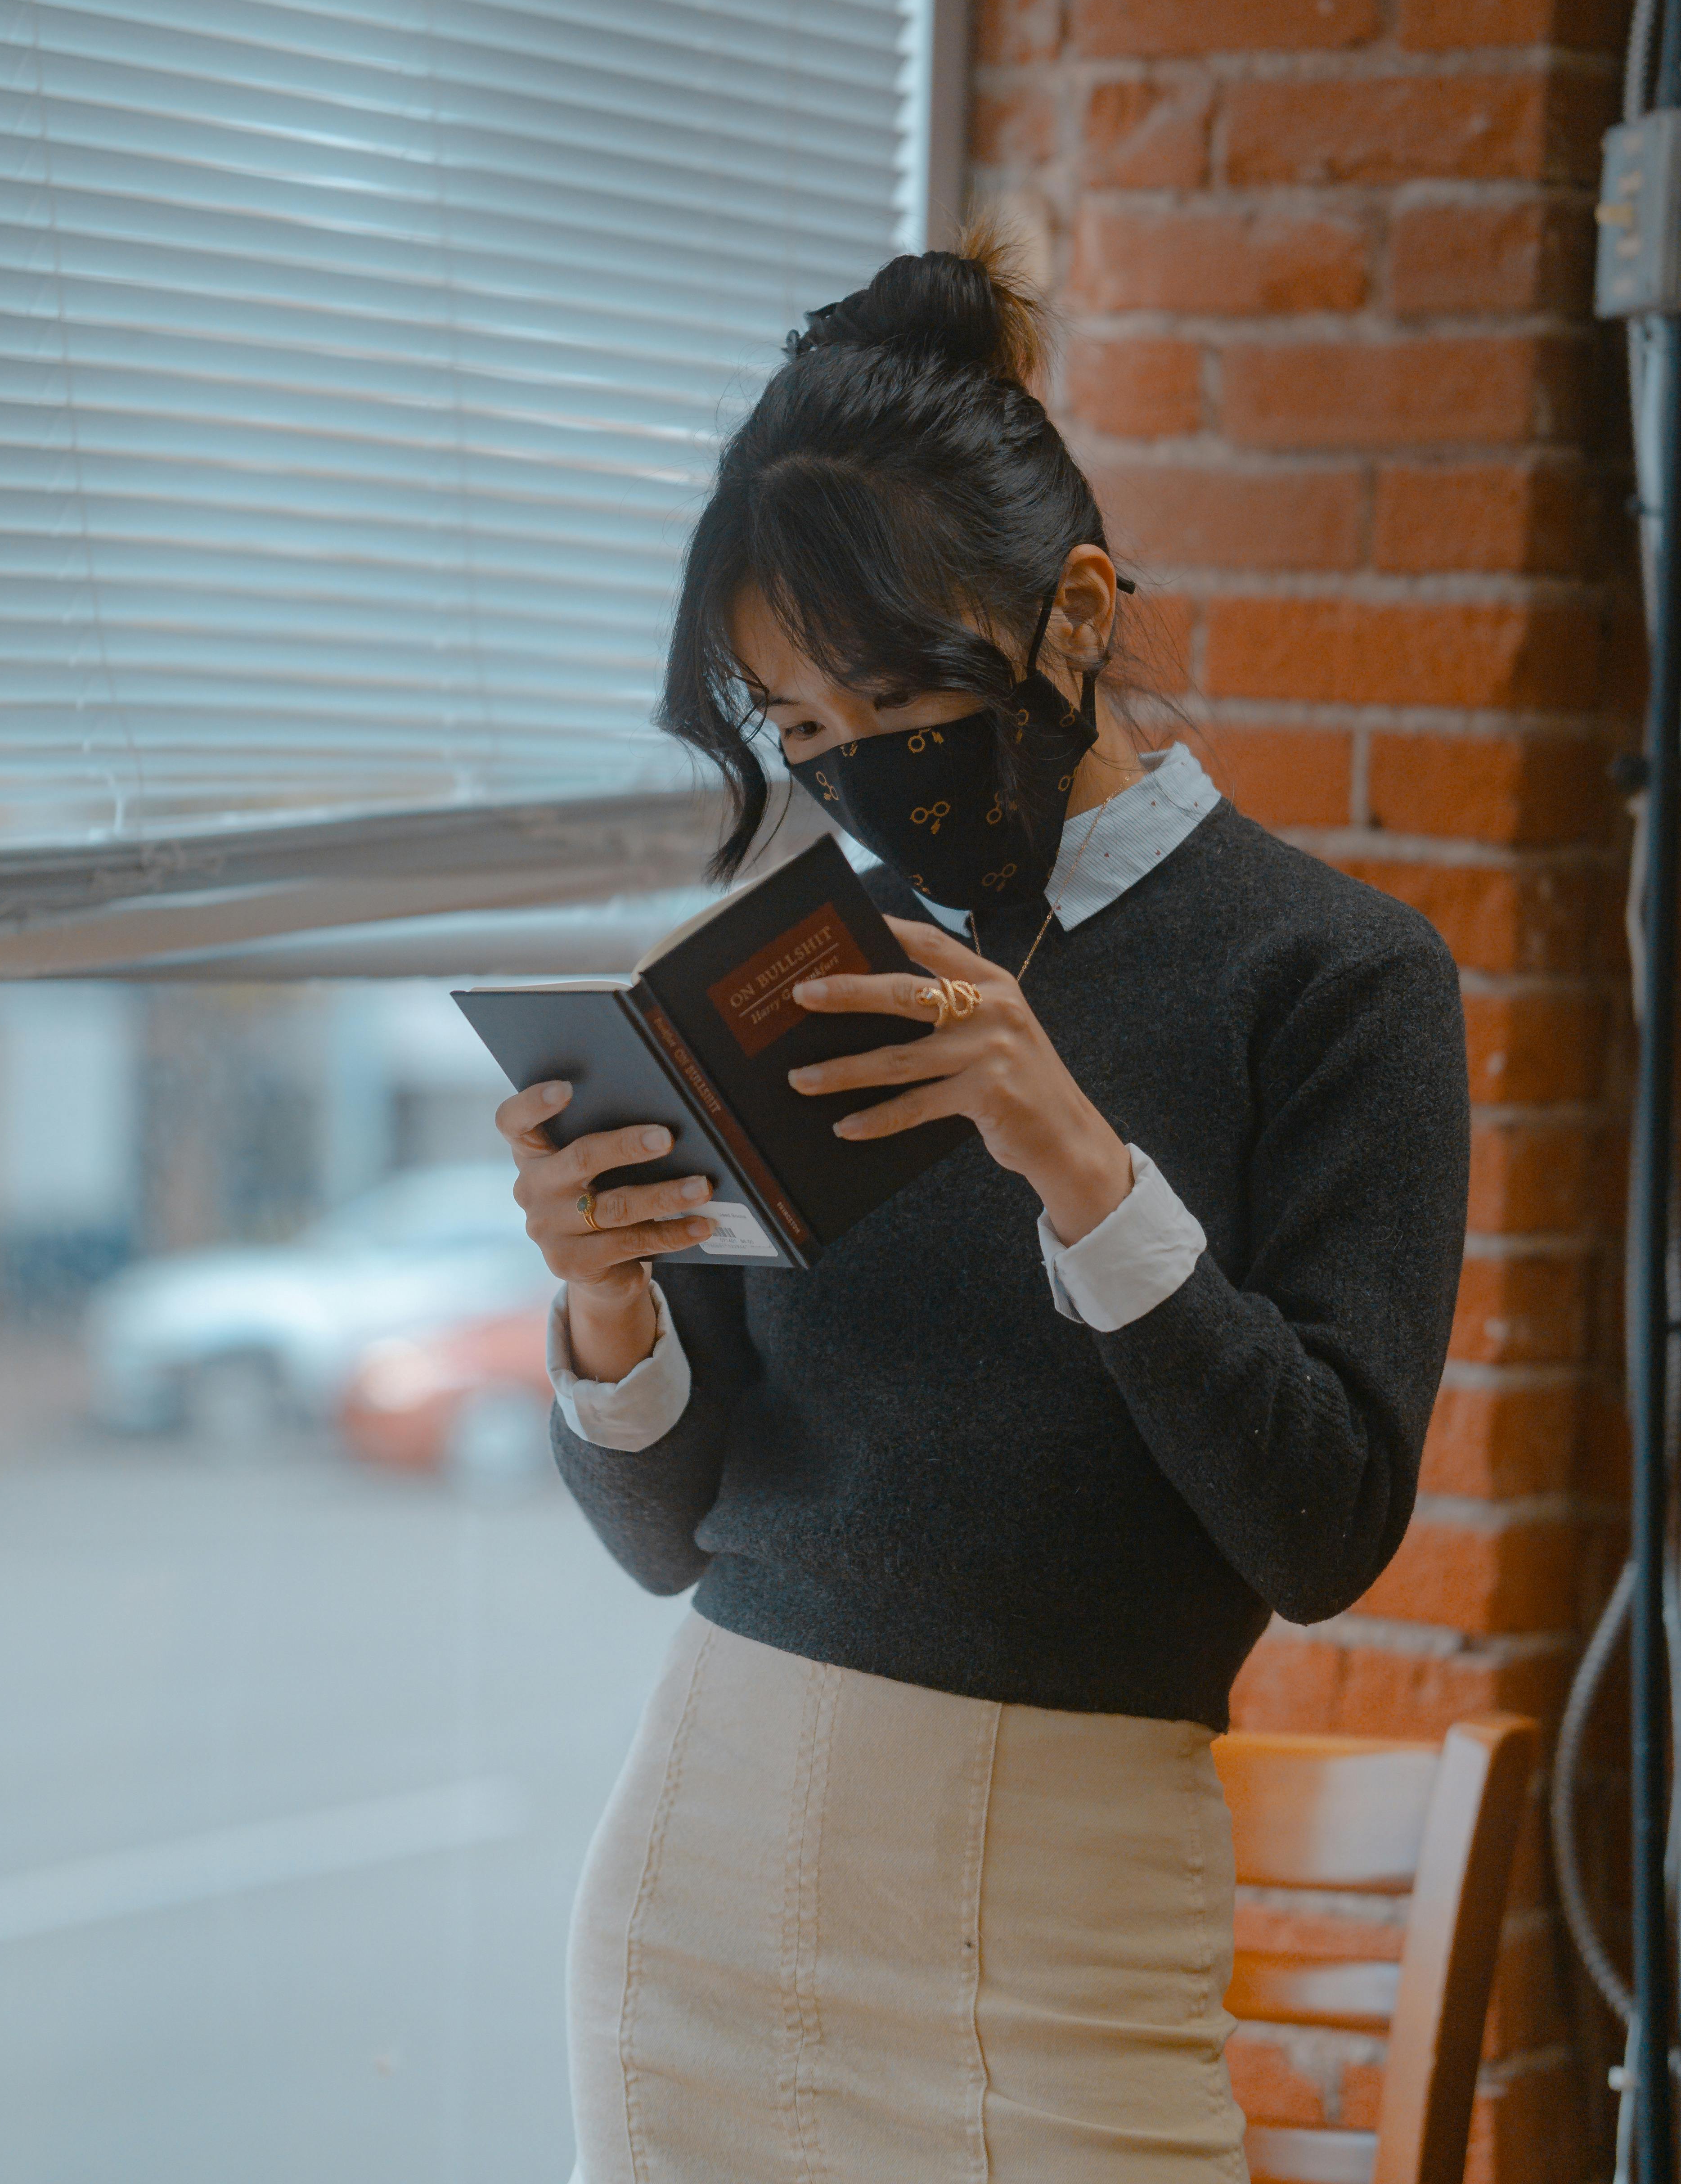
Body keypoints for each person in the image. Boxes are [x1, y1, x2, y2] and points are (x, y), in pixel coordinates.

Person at [497, 234, 1470, 2184]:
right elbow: (670, 1536)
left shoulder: (1335, 978)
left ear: (1075, 616)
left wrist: (1076, 1157)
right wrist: (605, 1312)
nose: (854, 768)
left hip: (1066, 1934)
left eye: (889, 692)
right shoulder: (792, 976)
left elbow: (1321, 1525)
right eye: (798, 726)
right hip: (698, 1888)